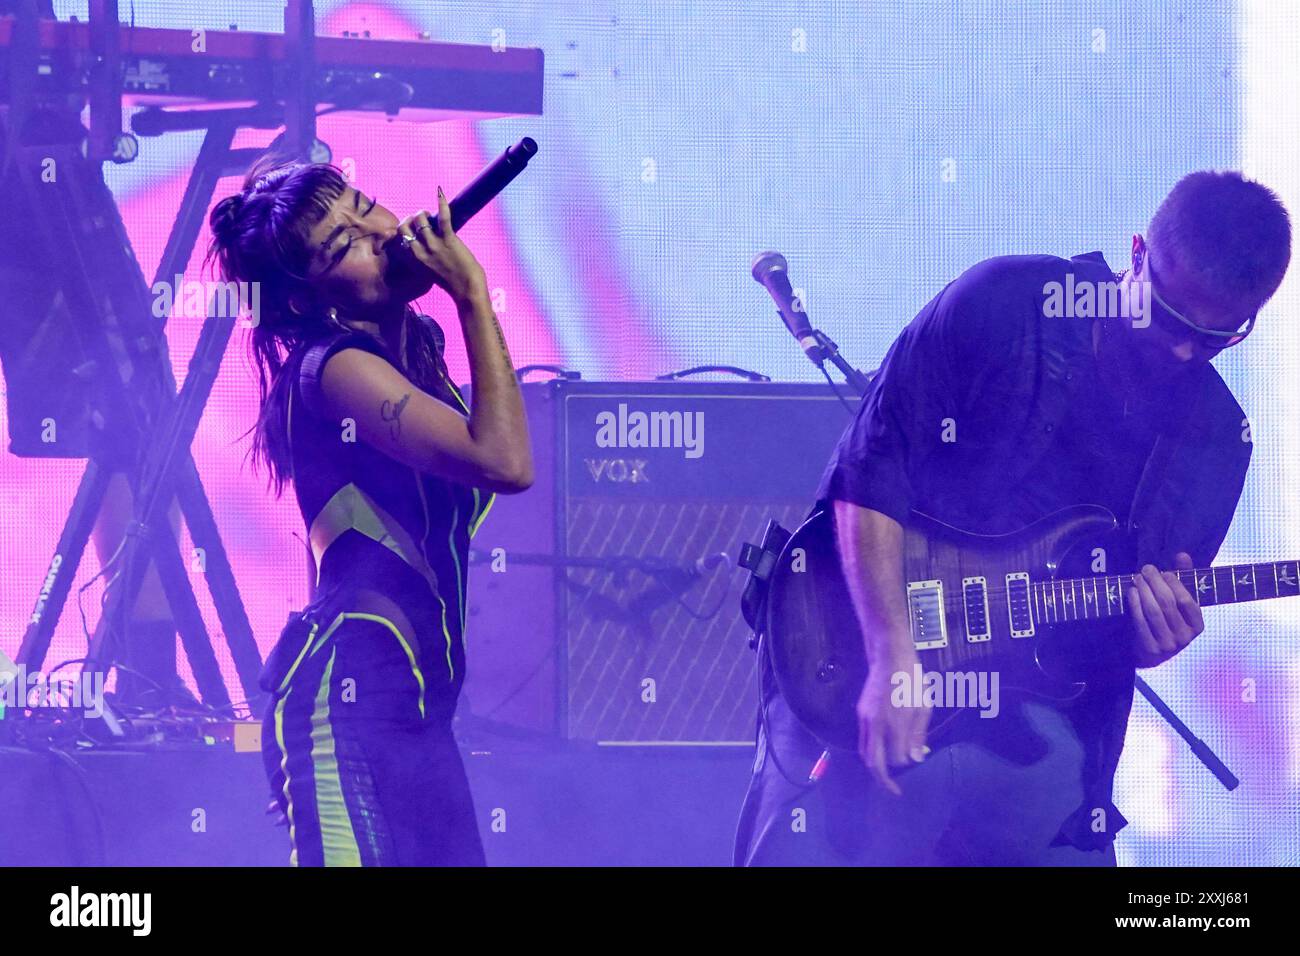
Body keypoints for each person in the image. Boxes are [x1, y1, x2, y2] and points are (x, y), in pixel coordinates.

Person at [735, 170, 1291, 866]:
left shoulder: (1214, 439)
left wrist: (1155, 636)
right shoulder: (1002, 305)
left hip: (1038, 735)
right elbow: (870, 472)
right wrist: (891, 653)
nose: (1184, 350)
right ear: (1137, 252)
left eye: (1217, 337)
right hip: (850, 653)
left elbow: (1119, 629)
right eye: (1172, 318)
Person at [206, 157, 532, 866]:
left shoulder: (414, 356)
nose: (379, 234)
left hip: (421, 710)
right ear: (305, 298)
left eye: (368, 207)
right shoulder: (335, 366)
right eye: (342, 244)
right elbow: (505, 462)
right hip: (350, 702)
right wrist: (472, 290)